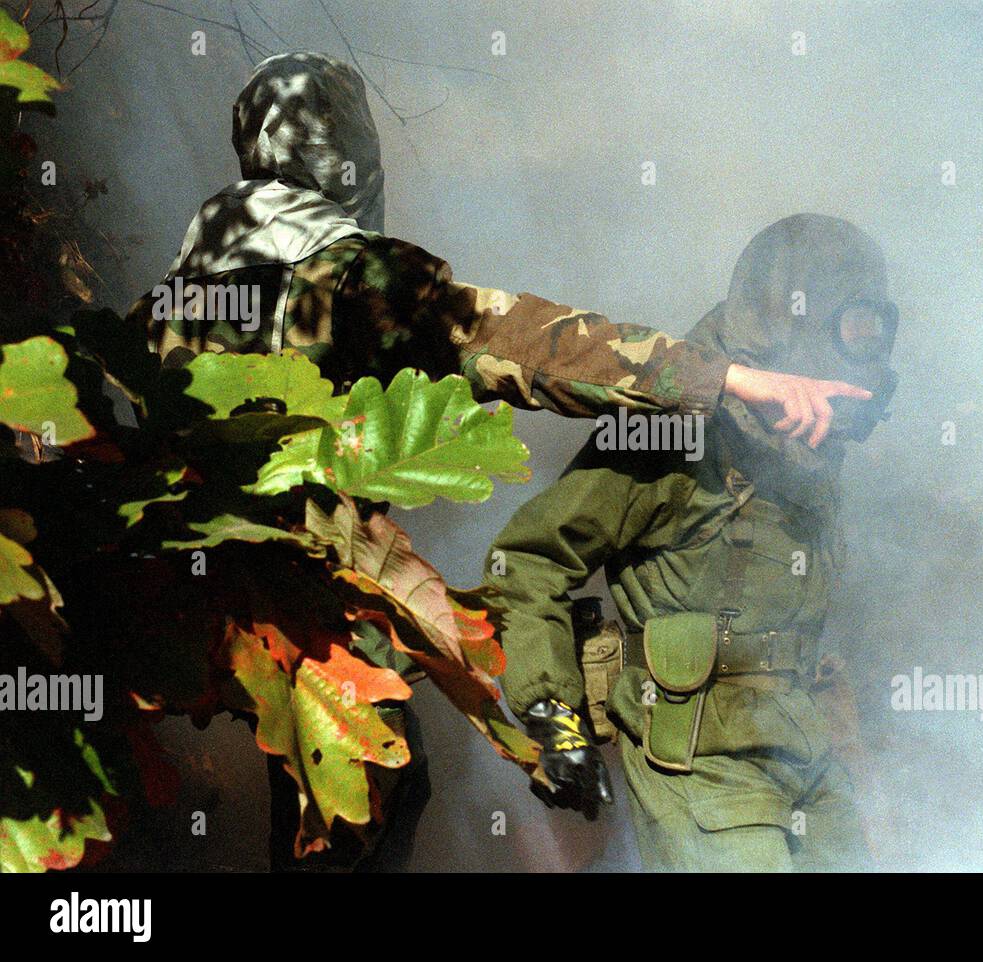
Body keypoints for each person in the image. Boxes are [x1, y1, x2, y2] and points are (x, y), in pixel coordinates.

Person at [124, 54, 869, 871]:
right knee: (363, 806)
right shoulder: (353, 276)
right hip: (306, 603)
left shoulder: (169, 298)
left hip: (167, 602)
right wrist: (721, 378)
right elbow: (523, 343)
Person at [486, 213, 899, 871]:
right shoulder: (674, 434)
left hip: (804, 755)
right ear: (790, 322)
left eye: (876, 330)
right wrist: (550, 712)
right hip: (700, 758)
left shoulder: (812, 457)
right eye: (852, 327)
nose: (867, 351)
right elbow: (528, 560)